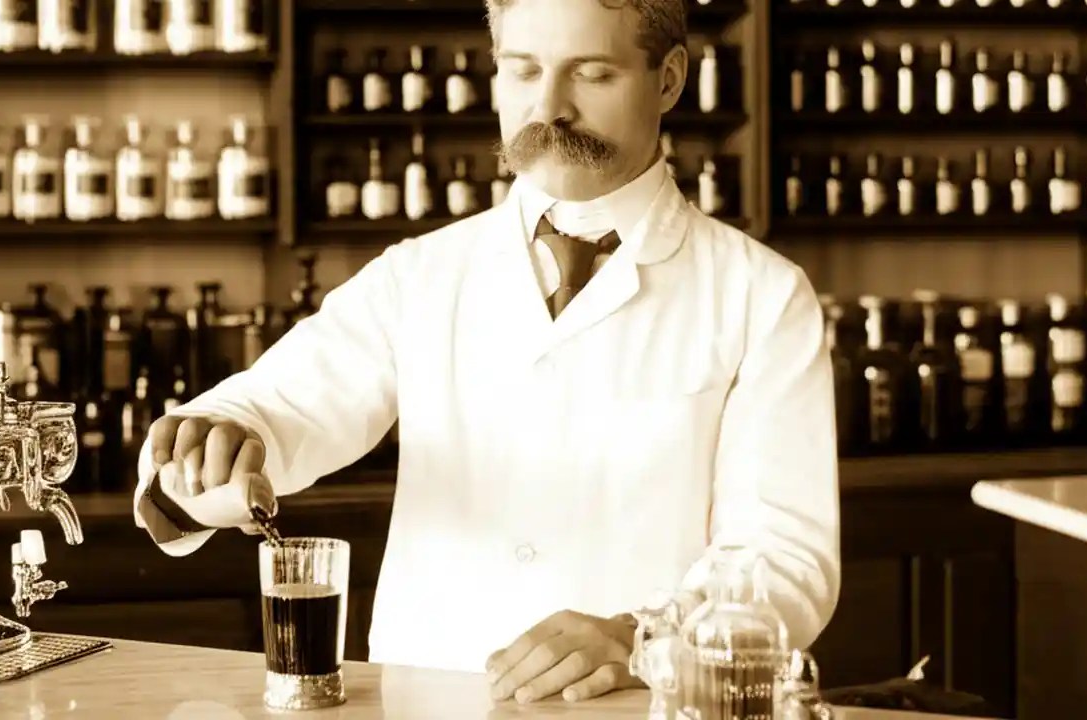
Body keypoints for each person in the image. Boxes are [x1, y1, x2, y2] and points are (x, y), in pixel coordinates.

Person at [133, 0, 841, 705]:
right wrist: (213, 444)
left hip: (638, 705)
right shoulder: (420, 275)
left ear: (669, 79)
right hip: (429, 698)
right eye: (523, 70)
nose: (549, 107)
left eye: (591, 73)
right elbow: (275, 406)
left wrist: (647, 638)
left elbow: (786, 561)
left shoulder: (762, 296)